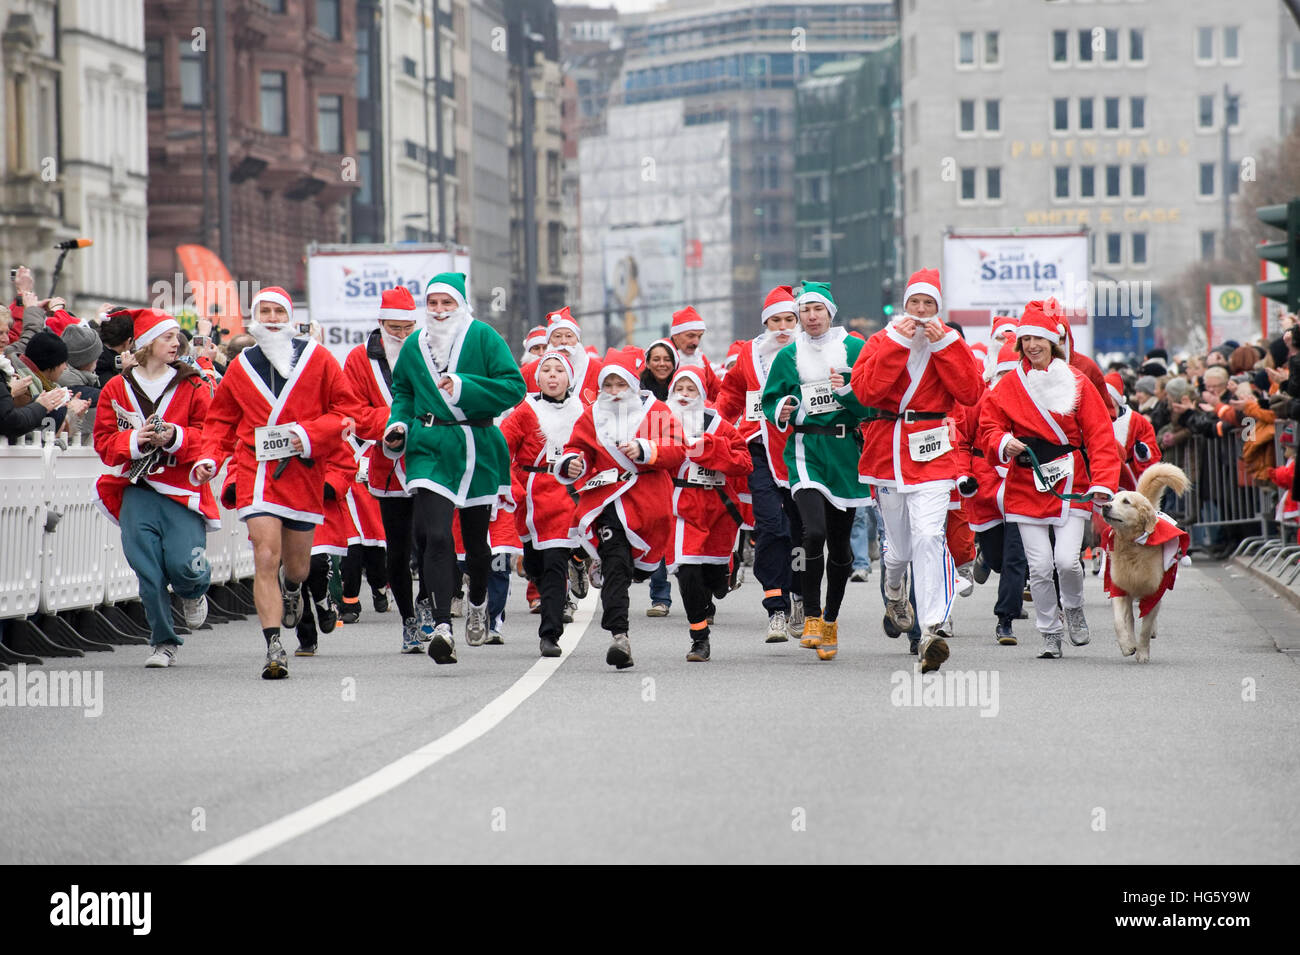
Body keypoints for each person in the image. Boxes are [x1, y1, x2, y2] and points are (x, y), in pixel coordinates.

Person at [191, 286, 361, 679]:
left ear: (290, 317)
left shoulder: (318, 359)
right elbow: (219, 421)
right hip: (257, 472)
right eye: (263, 311)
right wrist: (208, 458)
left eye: (277, 312)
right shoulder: (241, 366)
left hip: (303, 473)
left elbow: (346, 411)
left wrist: (308, 434)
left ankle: (293, 590)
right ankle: (273, 647)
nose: (270, 318)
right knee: (265, 555)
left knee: (298, 566)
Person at [382, 272, 526, 664]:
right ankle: (443, 625)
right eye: (433, 303)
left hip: (476, 445)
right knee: (436, 536)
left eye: (447, 303)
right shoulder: (413, 345)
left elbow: (514, 386)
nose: (440, 311)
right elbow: (404, 393)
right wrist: (397, 425)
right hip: (429, 446)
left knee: (477, 544)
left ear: (461, 305)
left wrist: (464, 386)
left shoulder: (484, 337)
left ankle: (478, 601)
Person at [851, 268, 984, 671]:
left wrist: (946, 345)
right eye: (915, 303)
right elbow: (867, 391)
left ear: (938, 308)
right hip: (888, 452)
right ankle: (894, 589)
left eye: (929, 304)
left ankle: (931, 629)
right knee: (900, 551)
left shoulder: (949, 343)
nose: (922, 312)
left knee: (929, 536)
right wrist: (897, 342)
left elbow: (971, 392)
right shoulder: (881, 340)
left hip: (934, 455)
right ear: (904, 306)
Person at [978, 299, 1121, 659]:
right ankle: (1050, 631)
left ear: (1053, 341)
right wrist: (1002, 442)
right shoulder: (1009, 385)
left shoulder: (1078, 382)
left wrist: (1104, 482)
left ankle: (1072, 607)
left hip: (1071, 479)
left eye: (1038, 338)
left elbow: (1100, 434)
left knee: (1067, 561)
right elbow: (988, 427)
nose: (1032, 345)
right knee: (1039, 567)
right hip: (1026, 480)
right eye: (1025, 339)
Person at [93, 308, 220, 667]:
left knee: (184, 566)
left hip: (181, 489)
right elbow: (103, 441)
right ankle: (163, 642)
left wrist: (174, 436)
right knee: (147, 571)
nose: (176, 343)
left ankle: (195, 590)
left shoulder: (194, 384)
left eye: (177, 337)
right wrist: (135, 439)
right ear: (146, 343)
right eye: (167, 337)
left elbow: (209, 434)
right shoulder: (116, 387)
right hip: (137, 489)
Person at [554, 350, 689, 669]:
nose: (614, 391)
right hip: (607, 500)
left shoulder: (656, 411)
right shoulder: (591, 414)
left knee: (634, 569)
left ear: (632, 384)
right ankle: (620, 636)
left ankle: (621, 576)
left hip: (648, 503)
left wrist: (646, 449)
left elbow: (677, 449)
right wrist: (575, 462)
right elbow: (577, 448)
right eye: (608, 384)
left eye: (620, 384)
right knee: (616, 564)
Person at [762, 280, 873, 661]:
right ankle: (809, 614)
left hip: (844, 453)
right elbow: (770, 399)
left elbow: (871, 406)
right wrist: (785, 407)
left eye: (817, 310)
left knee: (840, 546)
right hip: (804, 451)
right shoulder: (788, 355)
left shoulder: (856, 349)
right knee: (814, 532)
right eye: (804, 311)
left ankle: (830, 620)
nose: (811, 317)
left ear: (830, 312)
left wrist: (846, 393)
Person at [343, 285, 434, 652]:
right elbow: (353, 411)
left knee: (432, 540)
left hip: (428, 458)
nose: (401, 335)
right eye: (394, 328)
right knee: (397, 546)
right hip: (386, 460)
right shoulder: (358, 360)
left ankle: (429, 605)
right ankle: (408, 619)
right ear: (380, 323)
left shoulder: (428, 351)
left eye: (407, 327)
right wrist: (394, 422)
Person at [716, 285, 804, 642]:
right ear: (765, 324)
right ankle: (776, 608)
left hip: (802, 449)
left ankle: (801, 596)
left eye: (789, 319)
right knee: (771, 527)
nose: (783, 327)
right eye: (775, 321)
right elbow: (730, 397)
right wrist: (712, 427)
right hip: (760, 449)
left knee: (803, 531)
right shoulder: (750, 356)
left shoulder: (809, 352)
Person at [664, 367, 752, 661]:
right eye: (679, 390)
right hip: (679, 507)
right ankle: (699, 638)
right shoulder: (660, 423)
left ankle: (725, 570)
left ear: (702, 395)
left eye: (691, 390)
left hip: (718, 509)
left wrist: (711, 449)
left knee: (714, 580)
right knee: (686, 570)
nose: (685, 396)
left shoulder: (720, 426)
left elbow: (744, 463)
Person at [501, 349, 584, 657]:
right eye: (546, 370)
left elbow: (595, 452)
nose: (552, 375)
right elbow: (501, 447)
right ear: (537, 379)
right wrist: (510, 484)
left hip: (565, 496)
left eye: (559, 370)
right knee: (535, 561)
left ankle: (550, 633)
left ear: (569, 378)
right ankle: (533, 566)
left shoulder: (582, 412)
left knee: (554, 564)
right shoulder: (525, 411)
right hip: (529, 495)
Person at [966, 341, 1029, 645]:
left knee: (1016, 556)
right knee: (998, 557)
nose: (1008, 378)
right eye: (1003, 372)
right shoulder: (979, 399)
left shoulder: (1032, 399)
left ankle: (1005, 619)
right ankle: (984, 556)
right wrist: (964, 474)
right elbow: (963, 440)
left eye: (1013, 371)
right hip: (986, 482)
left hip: (1021, 482)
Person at [638, 338, 679, 617]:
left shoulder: (686, 387)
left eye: (667, 359)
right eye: (656, 359)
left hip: (685, 470)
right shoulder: (637, 393)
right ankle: (660, 596)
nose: (662, 364)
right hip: (653, 468)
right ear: (648, 362)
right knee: (659, 528)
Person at [669, 306, 721, 401]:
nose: (696, 342)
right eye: (691, 336)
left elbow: (717, 392)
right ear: (675, 336)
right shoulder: (662, 358)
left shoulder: (700, 358)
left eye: (699, 336)